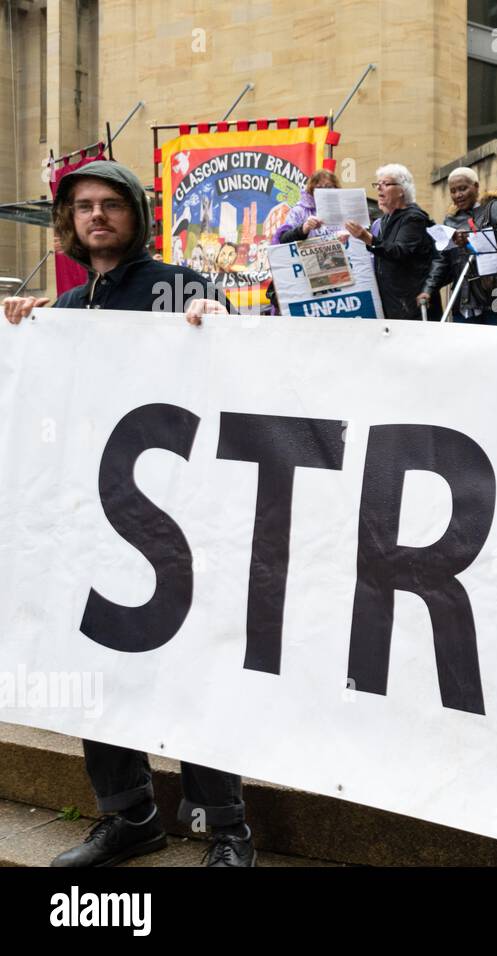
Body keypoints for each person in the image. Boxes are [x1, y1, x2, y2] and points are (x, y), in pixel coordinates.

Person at [1, 159, 250, 867]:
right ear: (68, 221)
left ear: (137, 215)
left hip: (177, 522)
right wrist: (26, 331)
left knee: (191, 671)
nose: (97, 216)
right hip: (91, 522)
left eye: (112, 204)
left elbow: (236, 359)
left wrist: (216, 319)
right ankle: (129, 815)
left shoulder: (180, 286)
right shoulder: (68, 308)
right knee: (93, 666)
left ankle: (226, 828)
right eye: (82, 206)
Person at [417, 166, 497, 324]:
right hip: (465, 297)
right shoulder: (450, 221)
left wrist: (471, 240)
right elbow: (442, 260)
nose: (457, 195)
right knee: (467, 345)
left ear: (476, 186)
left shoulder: (496, 209)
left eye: (462, 189)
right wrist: (428, 289)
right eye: (453, 191)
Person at [344, 164, 433, 321]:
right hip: (391, 302)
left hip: (410, 304)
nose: (379, 189)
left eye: (385, 184)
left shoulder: (413, 218)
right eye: (377, 184)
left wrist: (366, 238)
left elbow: (399, 251)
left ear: (402, 190)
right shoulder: (385, 219)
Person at [273, 168, 342, 244]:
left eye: (328, 187)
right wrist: (304, 228)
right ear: (311, 190)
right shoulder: (299, 211)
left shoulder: (343, 210)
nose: (323, 191)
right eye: (319, 188)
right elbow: (283, 240)